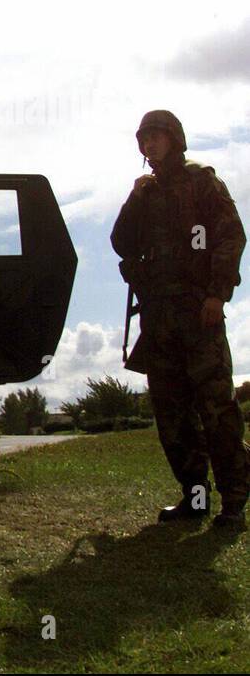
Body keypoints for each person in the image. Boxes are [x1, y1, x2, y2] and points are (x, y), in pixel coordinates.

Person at [110, 109, 250, 527]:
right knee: (171, 413)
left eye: (155, 137)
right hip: (159, 316)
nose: (148, 145)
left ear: (174, 139)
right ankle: (194, 496)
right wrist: (134, 197)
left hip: (198, 311)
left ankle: (234, 501)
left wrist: (216, 294)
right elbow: (120, 243)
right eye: (143, 139)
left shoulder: (201, 181)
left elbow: (231, 235)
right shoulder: (146, 193)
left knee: (215, 408)